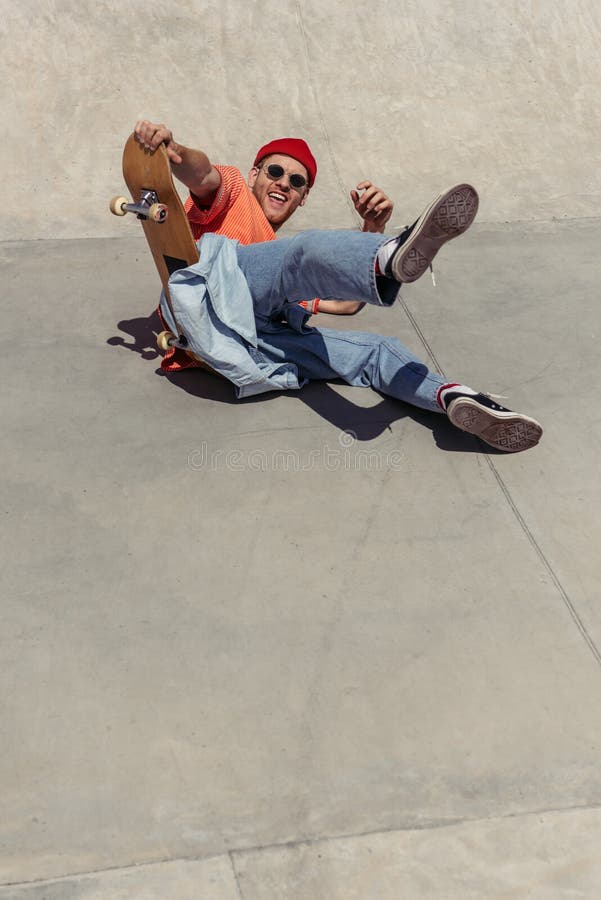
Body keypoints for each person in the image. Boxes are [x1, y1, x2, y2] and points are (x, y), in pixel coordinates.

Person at [133, 121, 543, 453]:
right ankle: (384, 256)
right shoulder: (234, 194)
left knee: (376, 352)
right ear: (256, 173)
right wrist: (176, 151)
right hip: (205, 300)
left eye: (297, 183)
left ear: (303, 198)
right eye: (275, 172)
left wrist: (372, 228)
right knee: (303, 252)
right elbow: (201, 174)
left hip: (249, 344)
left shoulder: (282, 262)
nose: (283, 184)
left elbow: (344, 306)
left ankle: (454, 398)